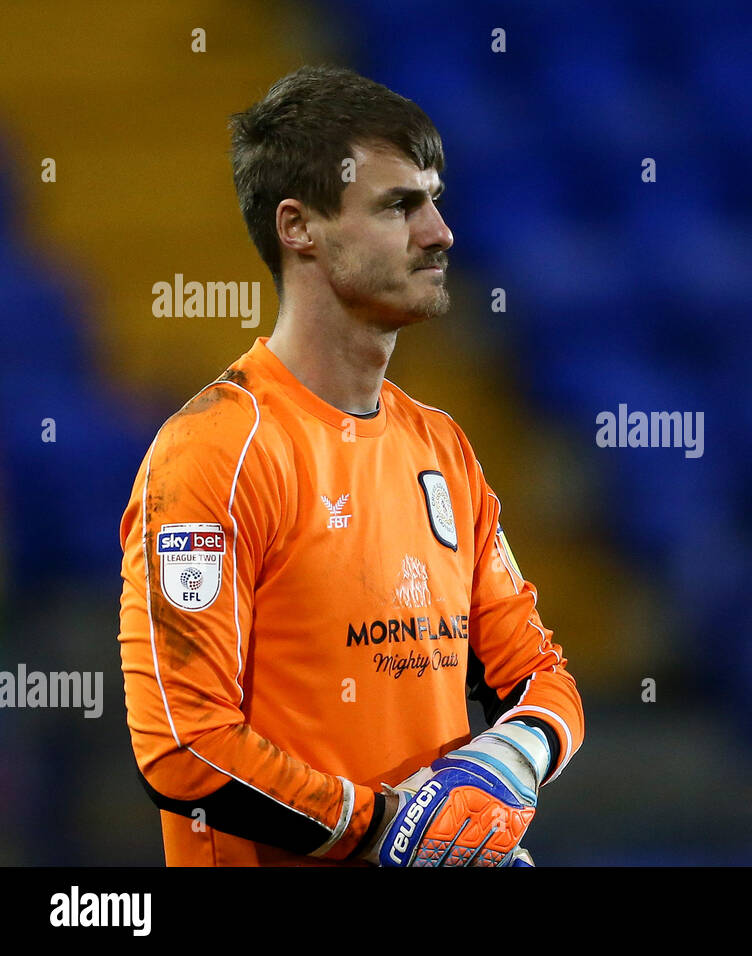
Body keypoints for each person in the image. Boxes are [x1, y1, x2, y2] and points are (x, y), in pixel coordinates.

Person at [117, 65, 583, 866]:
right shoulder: (215, 451)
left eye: (434, 200)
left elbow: (538, 672)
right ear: (300, 226)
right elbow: (183, 747)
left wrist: (505, 764)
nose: (440, 232)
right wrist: (383, 828)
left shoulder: (441, 447)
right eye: (400, 205)